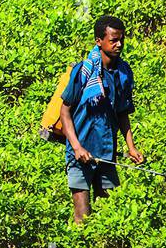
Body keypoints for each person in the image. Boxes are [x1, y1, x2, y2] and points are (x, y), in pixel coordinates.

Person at [58, 15, 145, 223]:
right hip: (80, 155)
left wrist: (131, 147)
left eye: (121, 39)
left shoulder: (123, 72)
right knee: (83, 218)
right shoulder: (84, 71)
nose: (119, 44)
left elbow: (122, 112)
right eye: (113, 40)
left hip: (107, 153)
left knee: (109, 216)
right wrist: (77, 147)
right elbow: (64, 112)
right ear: (99, 41)